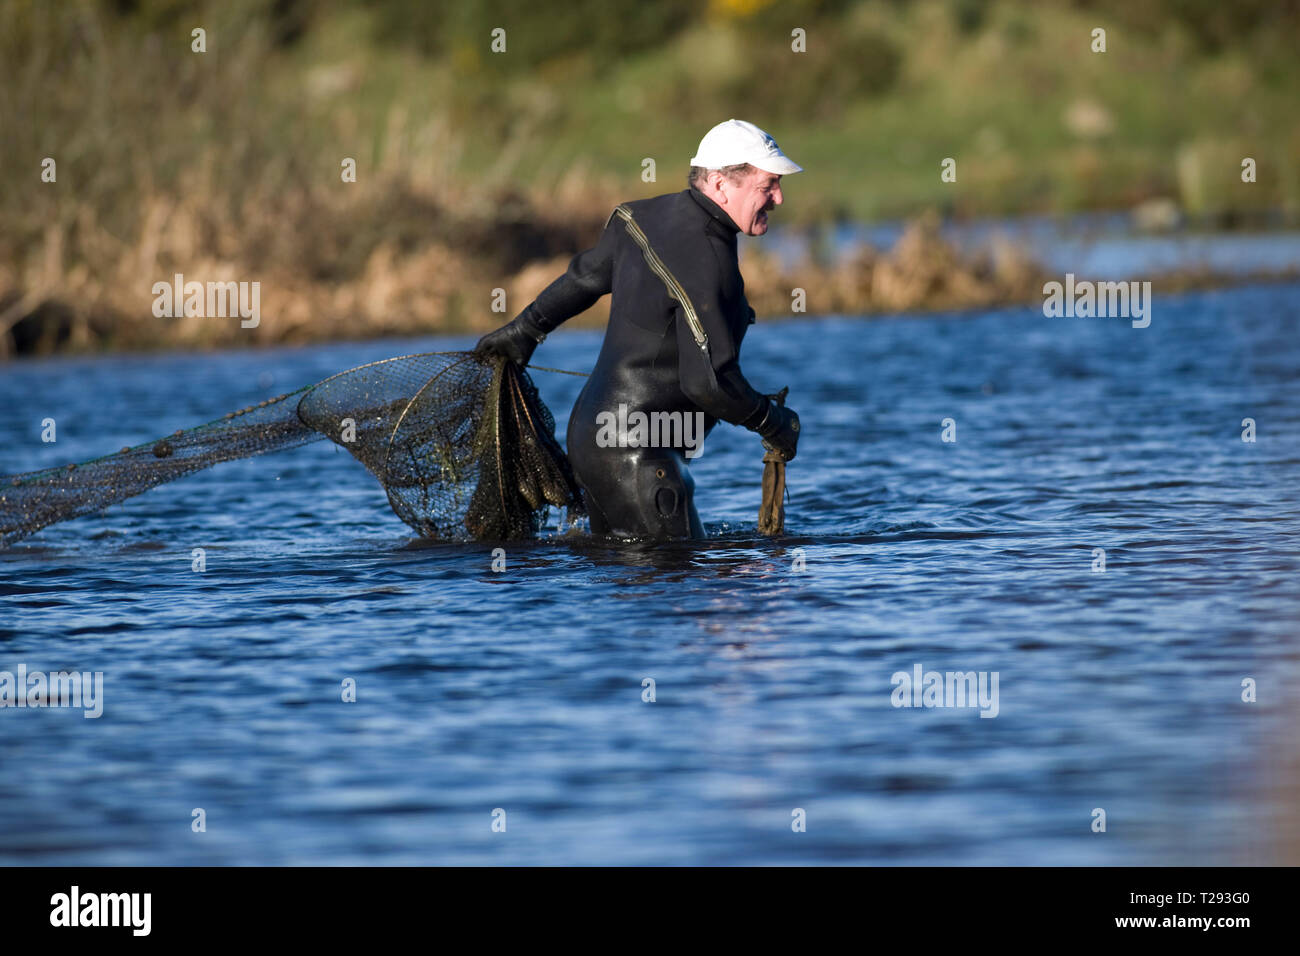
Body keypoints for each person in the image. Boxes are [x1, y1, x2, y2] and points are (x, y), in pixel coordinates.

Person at [474, 119, 802, 539]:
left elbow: (584, 278)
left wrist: (524, 331)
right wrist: (772, 421)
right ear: (721, 185)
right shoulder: (708, 255)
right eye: (768, 185)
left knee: (626, 586)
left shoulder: (641, 216)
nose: (778, 197)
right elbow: (708, 385)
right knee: (673, 590)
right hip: (639, 455)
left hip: (593, 436)